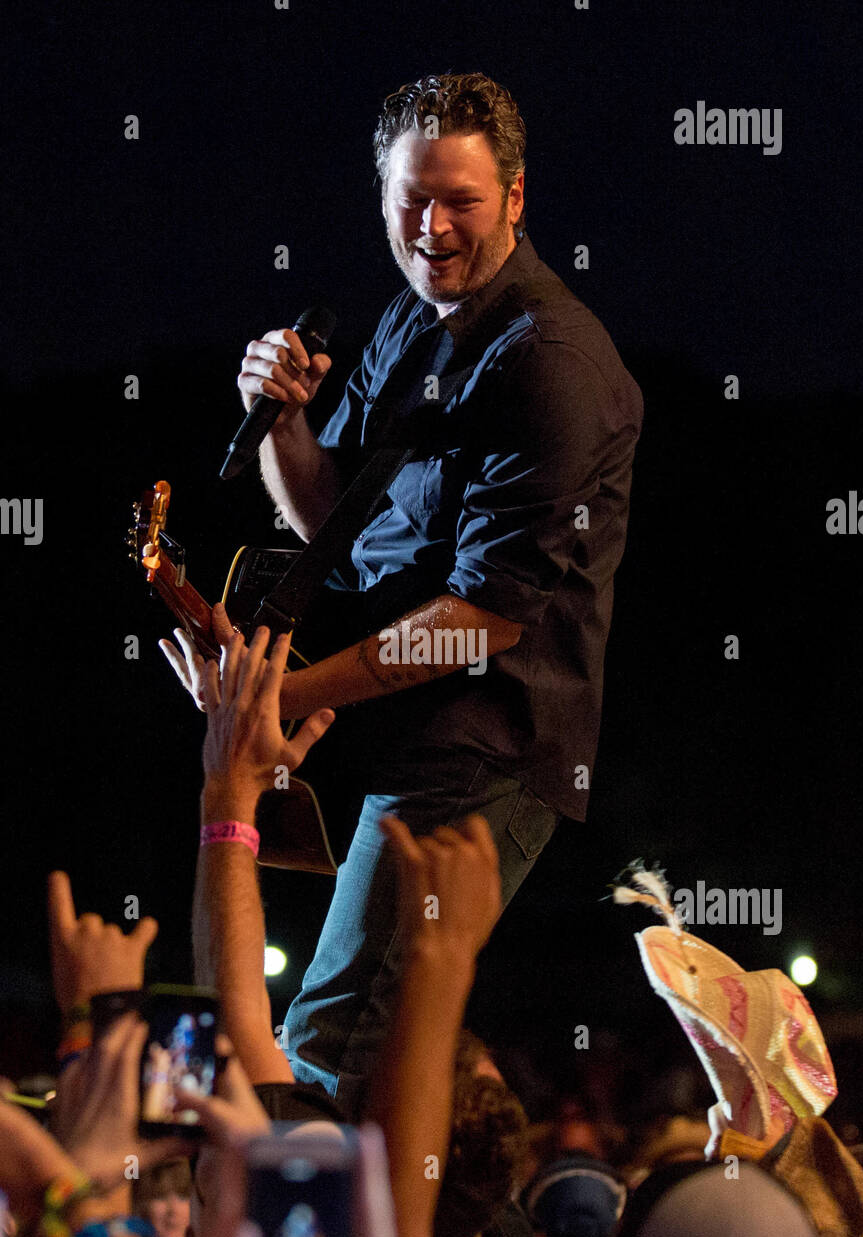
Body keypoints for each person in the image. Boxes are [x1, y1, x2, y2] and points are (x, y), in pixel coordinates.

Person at [161, 71, 644, 1118]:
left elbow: (482, 620)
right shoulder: (408, 317)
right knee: (362, 1047)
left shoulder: (549, 362)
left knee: (327, 1042)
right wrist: (283, 421)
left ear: (515, 199)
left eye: (459, 200)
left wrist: (277, 699)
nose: (430, 227)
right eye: (409, 198)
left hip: (486, 748)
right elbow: (325, 520)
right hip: (403, 728)